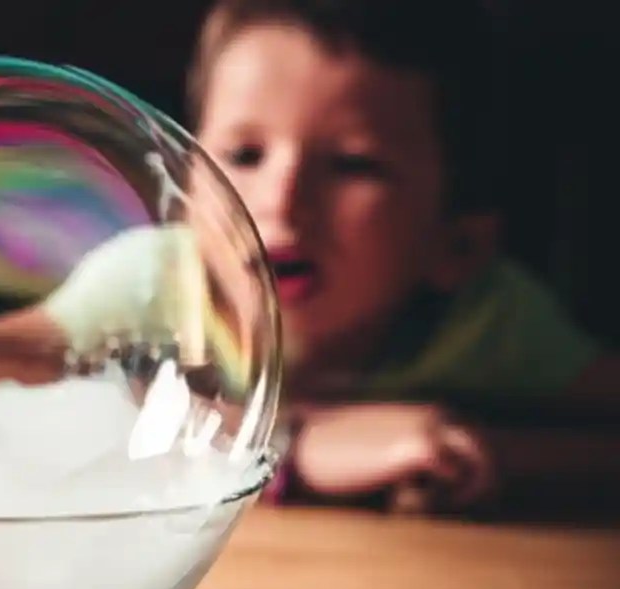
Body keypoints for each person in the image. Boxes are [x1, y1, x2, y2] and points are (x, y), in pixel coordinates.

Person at [185, 0, 620, 515]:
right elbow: (65, 410)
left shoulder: (484, 319)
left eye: (352, 165)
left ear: (456, 249)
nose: (281, 199)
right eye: (245, 155)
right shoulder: (148, 286)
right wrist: (297, 447)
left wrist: (470, 450)